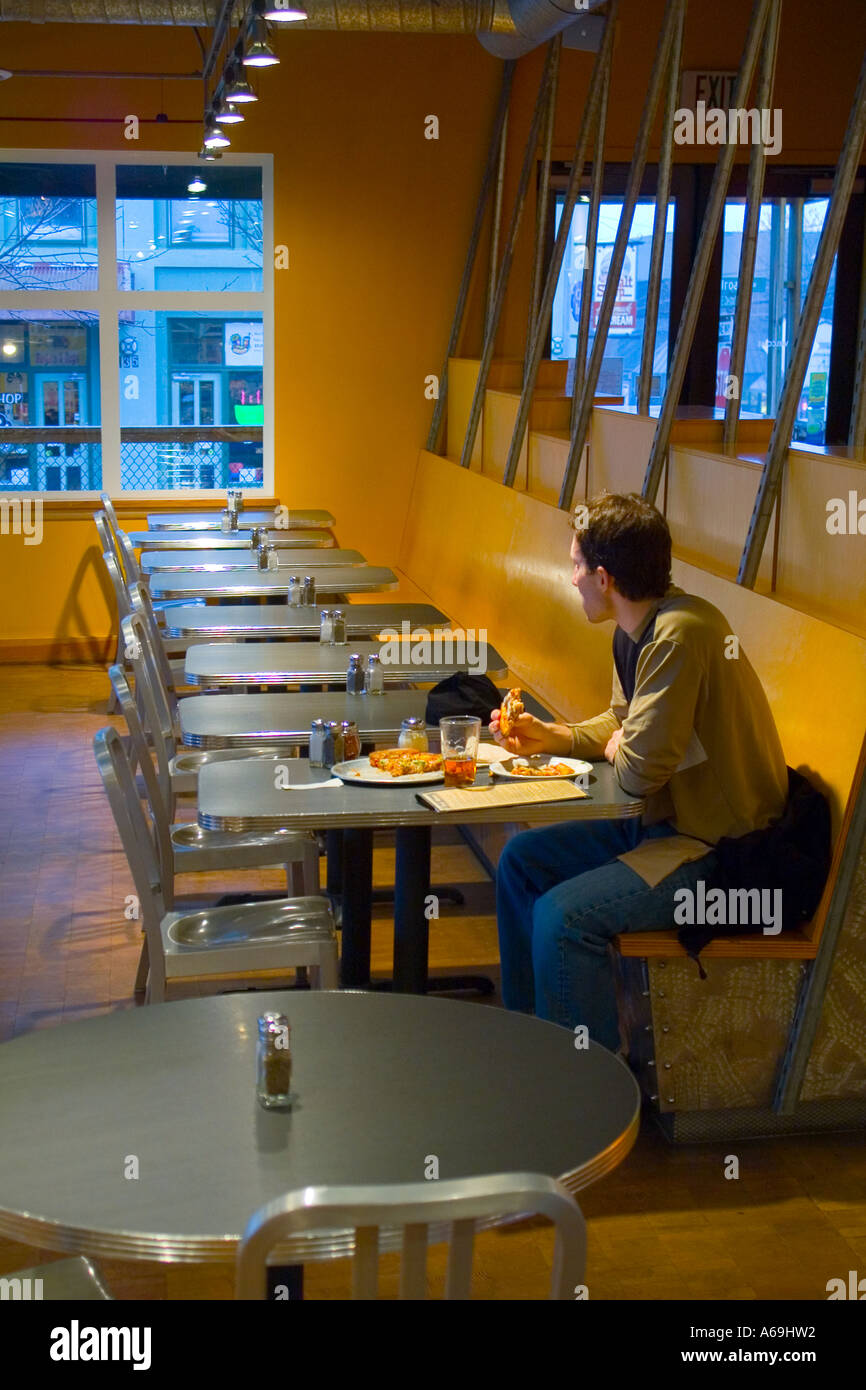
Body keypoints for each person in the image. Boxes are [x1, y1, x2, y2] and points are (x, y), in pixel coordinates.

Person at [491, 492, 788, 1053]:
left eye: (575, 564)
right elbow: (622, 726)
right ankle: (531, 1042)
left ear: (603, 578)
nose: (570, 577)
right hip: (664, 825)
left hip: (720, 850)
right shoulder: (637, 629)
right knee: (521, 862)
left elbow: (634, 775)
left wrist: (622, 745)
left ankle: (588, 1089)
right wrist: (548, 735)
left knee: (562, 916)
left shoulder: (680, 635)